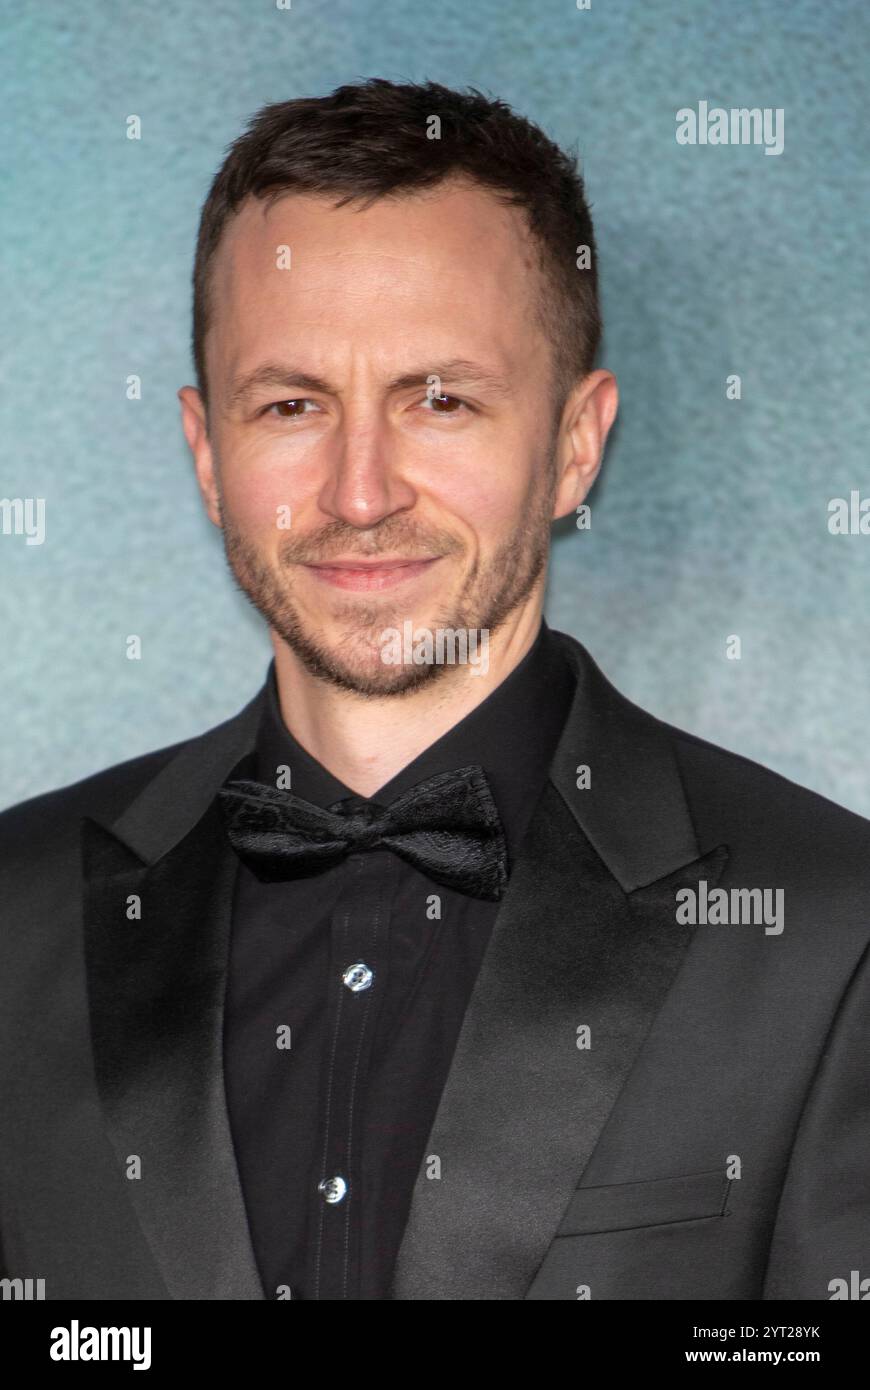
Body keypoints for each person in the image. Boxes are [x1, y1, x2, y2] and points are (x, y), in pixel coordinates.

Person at [1, 78, 868, 1302]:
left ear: (577, 441)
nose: (362, 492)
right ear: (206, 452)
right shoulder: (12, 918)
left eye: (441, 400)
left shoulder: (833, 933)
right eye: (293, 404)